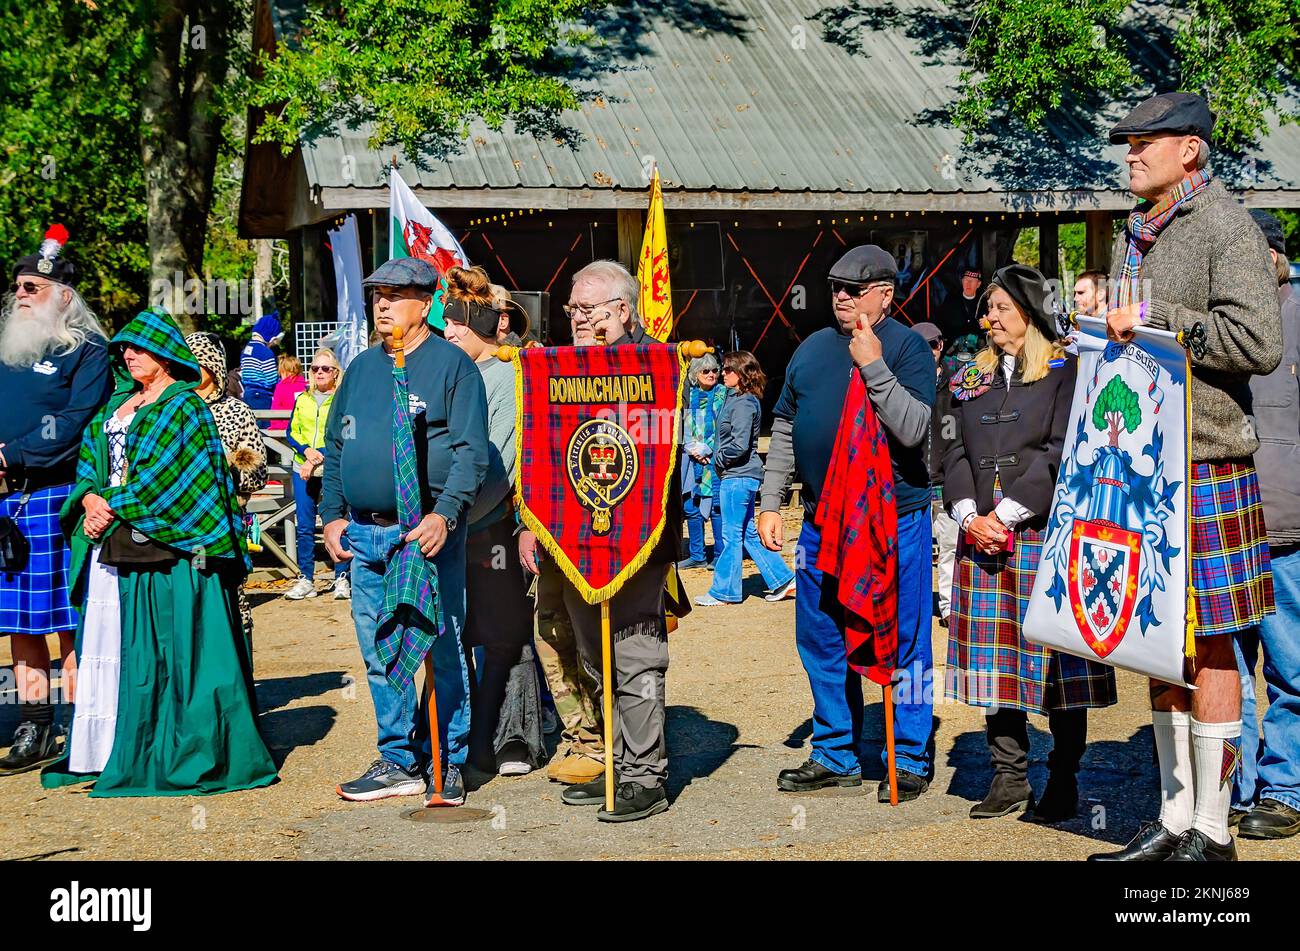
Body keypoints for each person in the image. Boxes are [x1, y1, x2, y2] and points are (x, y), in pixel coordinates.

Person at [1090, 92, 1281, 862]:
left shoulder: (1227, 226)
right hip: (1139, 459)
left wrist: (1154, 312)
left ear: (1190, 150)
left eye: (1144, 141)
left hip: (1205, 460)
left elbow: (1259, 342)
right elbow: (1134, 330)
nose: (1130, 153)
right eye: (1128, 142)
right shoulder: (1133, 234)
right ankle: (1172, 819)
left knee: (1211, 649)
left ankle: (1213, 828)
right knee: (1155, 645)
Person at [40, 309, 277, 796]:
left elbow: (172, 480)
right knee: (111, 646)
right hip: (113, 544)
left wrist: (111, 503)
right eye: (124, 349)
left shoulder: (183, 407)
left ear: (166, 355)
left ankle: (164, 748)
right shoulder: (114, 407)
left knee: (170, 651)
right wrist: (87, 498)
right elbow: (89, 460)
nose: (128, 356)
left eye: (139, 348)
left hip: (168, 549)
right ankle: (104, 747)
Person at [759, 245, 937, 802]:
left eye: (854, 289)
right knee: (820, 634)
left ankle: (906, 754)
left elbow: (912, 430)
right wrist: (769, 501)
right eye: (835, 286)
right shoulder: (810, 350)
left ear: (884, 294)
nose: (840, 296)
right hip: (819, 521)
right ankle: (835, 750)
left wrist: (872, 364)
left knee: (904, 636)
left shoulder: (907, 348)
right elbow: (785, 425)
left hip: (894, 518)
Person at [942, 265, 1117, 822]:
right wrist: (970, 515)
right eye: (987, 309)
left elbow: (1063, 449)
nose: (989, 318)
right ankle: (1009, 775)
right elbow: (953, 452)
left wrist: (1010, 514)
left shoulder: (1067, 372)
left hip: (1044, 532)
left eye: (1001, 309)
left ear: (1031, 314)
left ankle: (1064, 776)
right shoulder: (970, 375)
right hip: (980, 534)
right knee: (998, 661)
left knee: (1058, 663)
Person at [321, 257, 489, 807]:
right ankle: (398, 759)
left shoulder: (452, 366)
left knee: (442, 645)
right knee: (379, 652)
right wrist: (332, 516)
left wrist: (445, 513)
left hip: (427, 534)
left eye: (395, 295)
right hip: (366, 537)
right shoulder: (363, 369)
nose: (383, 304)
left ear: (426, 302)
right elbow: (337, 447)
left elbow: (471, 454)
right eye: (377, 296)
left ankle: (450, 759)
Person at [534, 259, 680, 822]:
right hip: (574, 539)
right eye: (571, 308)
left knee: (636, 655)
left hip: (638, 538)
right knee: (596, 658)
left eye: (586, 308)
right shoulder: (561, 369)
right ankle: (619, 765)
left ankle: (646, 774)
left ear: (621, 310)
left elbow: (657, 448)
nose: (574, 317)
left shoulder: (659, 366)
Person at [0, 228, 112, 775]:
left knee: (68, 618)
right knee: (21, 622)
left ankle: (78, 722)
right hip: (6, 504)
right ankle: (34, 723)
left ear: (62, 295)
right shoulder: (6, 349)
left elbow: (75, 423)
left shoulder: (89, 352)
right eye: (17, 287)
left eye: (31, 287)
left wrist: (11, 454)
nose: (19, 295)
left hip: (57, 495)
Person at [442, 267, 546, 777]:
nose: (448, 332)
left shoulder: (508, 375)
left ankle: (515, 738)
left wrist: (450, 515)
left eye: (458, 323)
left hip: (496, 524)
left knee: (508, 634)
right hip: (457, 524)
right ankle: (465, 738)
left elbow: (501, 464)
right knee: (463, 633)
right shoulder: (458, 374)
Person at [1232, 210, 1300, 840]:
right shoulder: (1220, 327)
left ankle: (1284, 789)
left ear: (1277, 258)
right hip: (1222, 519)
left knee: (1290, 666)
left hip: (1287, 523)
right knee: (1225, 666)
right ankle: (1234, 783)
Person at [186, 331, 268, 640]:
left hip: (225, 522)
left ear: (212, 366)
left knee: (231, 598)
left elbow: (258, 471)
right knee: (189, 600)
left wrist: (228, 471)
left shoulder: (236, 410)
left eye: (197, 362)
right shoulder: (175, 411)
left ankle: (239, 676)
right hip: (181, 526)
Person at [695, 351, 794, 606]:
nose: (721, 374)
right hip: (740, 476)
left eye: (727, 369)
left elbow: (739, 445)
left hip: (737, 476)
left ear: (740, 374)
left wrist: (718, 457)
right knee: (748, 532)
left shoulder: (743, 403)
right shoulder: (738, 399)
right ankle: (783, 580)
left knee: (730, 534)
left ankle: (724, 592)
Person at [281, 348, 350, 601]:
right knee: (305, 525)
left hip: (331, 467)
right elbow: (291, 431)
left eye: (325, 369)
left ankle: (342, 578)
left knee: (338, 523)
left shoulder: (342, 400)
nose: (319, 373)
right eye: (315, 368)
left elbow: (343, 434)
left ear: (335, 373)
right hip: (304, 467)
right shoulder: (303, 399)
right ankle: (306, 578)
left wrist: (318, 454)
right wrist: (306, 451)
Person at [912, 321, 957, 628]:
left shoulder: (958, 386)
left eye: (933, 345)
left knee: (951, 546)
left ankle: (949, 606)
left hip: (947, 480)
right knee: (913, 549)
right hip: (913, 482)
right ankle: (912, 606)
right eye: (921, 346)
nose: (928, 352)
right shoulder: (904, 384)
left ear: (941, 346)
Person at [678, 352, 726, 569]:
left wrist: (709, 449)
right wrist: (692, 448)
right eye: (705, 371)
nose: (711, 374)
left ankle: (719, 555)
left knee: (716, 506)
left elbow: (725, 426)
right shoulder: (689, 396)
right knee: (691, 506)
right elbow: (684, 425)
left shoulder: (723, 394)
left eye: (714, 370)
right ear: (695, 374)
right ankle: (697, 555)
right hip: (693, 460)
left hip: (715, 459)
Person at [240, 314, 283, 414]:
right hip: (262, 396)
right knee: (264, 425)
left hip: (247, 392)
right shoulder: (265, 352)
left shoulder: (246, 350)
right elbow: (271, 379)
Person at [267, 353, 307, 435]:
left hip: (286, 426)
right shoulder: (306, 386)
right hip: (304, 426)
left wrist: (274, 426)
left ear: (283, 372)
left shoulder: (281, 387)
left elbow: (275, 408)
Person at [939, 268, 982, 341]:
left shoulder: (983, 301)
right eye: (966, 280)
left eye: (972, 281)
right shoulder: (951, 300)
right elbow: (942, 323)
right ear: (962, 281)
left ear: (978, 284)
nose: (968, 284)